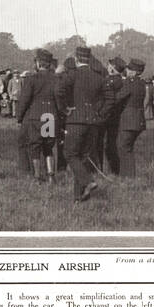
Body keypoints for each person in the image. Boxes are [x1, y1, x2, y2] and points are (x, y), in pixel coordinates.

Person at [56, 47, 108, 202]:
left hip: (75, 120)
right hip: (93, 122)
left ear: (76, 60)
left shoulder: (72, 75)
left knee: (70, 154)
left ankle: (88, 181)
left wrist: (64, 109)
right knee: (83, 158)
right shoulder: (98, 77)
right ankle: (78, 196)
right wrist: (99, 112)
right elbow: (108, 98)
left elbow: (58, 91)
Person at [17, 50, 60, 183]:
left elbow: (24, 100)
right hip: (50, 115)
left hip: (35, 116)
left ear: (38, 63)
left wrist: (19, 116)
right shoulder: (56, 79)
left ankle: (37, 176)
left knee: (35, 146)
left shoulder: (31, 79)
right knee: (48, 146)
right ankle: (51, 175)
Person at [117, 58, 147, 176]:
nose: (127, 71)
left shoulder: (130, 83)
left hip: (129, 120)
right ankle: (127, 176)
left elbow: (118, 97)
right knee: (127, 147)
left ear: (134, 72)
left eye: (129, 69)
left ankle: (128, 176)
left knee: (123, 147)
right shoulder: (141, 83)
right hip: (138, 119)